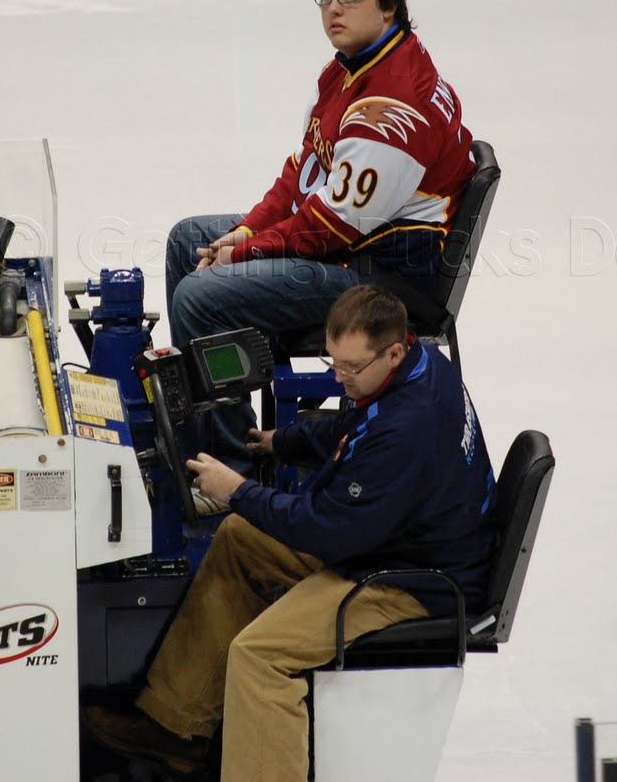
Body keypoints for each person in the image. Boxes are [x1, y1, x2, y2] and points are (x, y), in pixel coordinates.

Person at [84, 285, 498, 781]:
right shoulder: (418, 365)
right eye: (334, 364)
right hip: (400, 538)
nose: (340, 378)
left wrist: (237, 489)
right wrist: (282, 442)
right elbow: (354, 424)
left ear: (392, 350)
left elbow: (325, 530)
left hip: (411, 581)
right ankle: (175, 729)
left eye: (351, 369)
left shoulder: (407, 429)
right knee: (240, 539)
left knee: (262, 657)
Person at [165, 0, 475, 460]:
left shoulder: (391, 106)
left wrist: (244, 255)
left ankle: (228, 465)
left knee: (203, 295)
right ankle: (201, 425)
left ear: (389, 7)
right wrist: (246, 234)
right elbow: (302, 175)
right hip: (355, 243)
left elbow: (331, 229)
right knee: (189, 241)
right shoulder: (351, 69)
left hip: (383, 276)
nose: (335, 8)